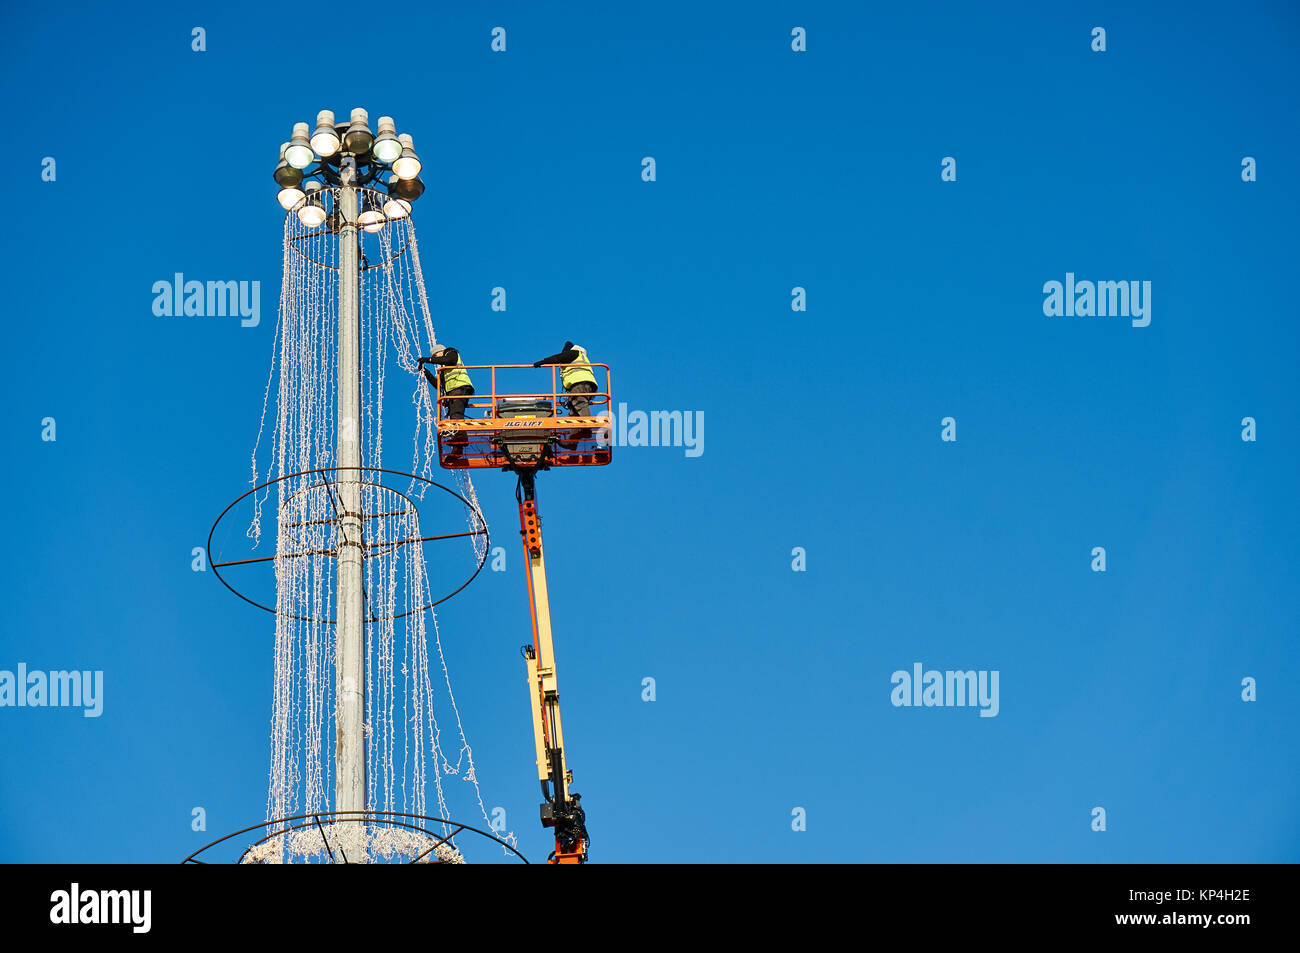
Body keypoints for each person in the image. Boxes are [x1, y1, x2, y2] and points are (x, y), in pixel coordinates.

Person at [417, 346, 473, 455]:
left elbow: (449, 360)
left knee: (456, 415)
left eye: (435, 355)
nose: (435, 358)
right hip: (453, 392)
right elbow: (439, 385)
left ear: (440, 351)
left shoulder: (451, 352)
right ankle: (458, 449)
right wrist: (426, 372)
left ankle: (461, 439)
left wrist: (428, 360)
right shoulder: (443, 369)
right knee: (454, 417)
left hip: (460, 387)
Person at [533, 341, 599, 416]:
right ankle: (576, 427)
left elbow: (557, 358)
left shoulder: (573, 353)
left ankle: (587, 425)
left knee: (580, 403)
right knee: (574, 410)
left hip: (579, 383)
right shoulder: (580, 357)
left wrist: (542, 362)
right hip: (588, 385)